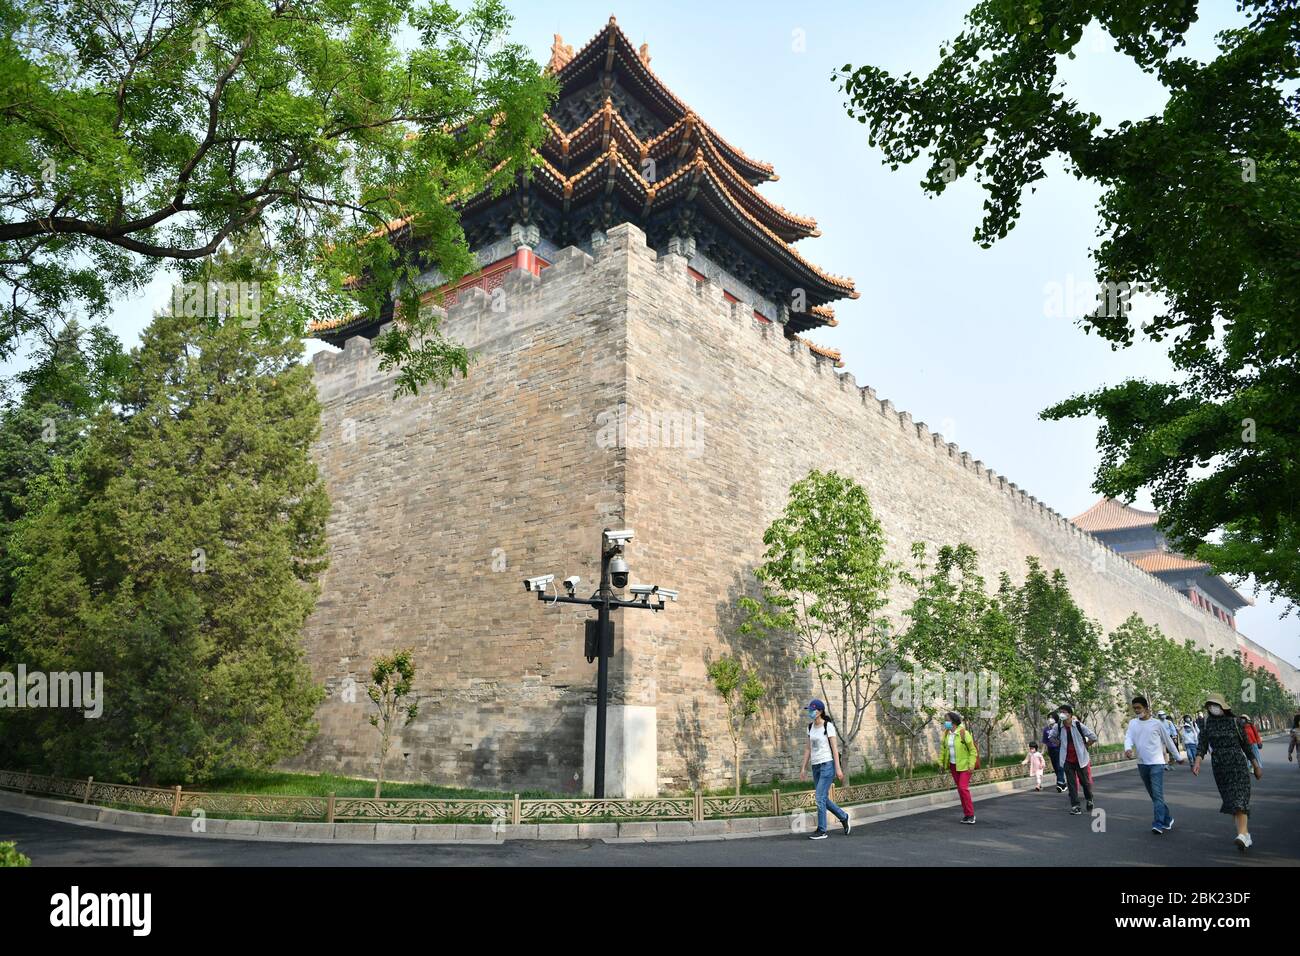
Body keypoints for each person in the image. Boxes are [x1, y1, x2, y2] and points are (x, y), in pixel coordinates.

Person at [1191, 692, 1262, 852]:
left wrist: (1256, 766)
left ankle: (1242, 835)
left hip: (1237, 764)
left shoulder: (1235, 722)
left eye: (1215, 705)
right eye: (1210, 705)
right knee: (1232, 802)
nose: (1212, 708)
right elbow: (1202, 745)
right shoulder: (1207, 724)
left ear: (1223, 706)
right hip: (1220, 767)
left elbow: (1246, 746)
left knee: (1239, 799)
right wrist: (1197, 762)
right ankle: (1244, 835)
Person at [1124, 696, 1184, 834]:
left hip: (1156, 763)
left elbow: (1168, 741)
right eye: (1135, 708)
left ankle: (1158, 823)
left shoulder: (1157, 724)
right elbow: (1128, 737)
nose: (1137, 711)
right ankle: (1167, 819)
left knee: (1157, 794)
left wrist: (1177, 757)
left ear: (1146, 708)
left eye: (1139, 708)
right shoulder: (1133, 723)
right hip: (1142, 763)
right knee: (1154, 795)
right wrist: (1127, 748)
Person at [799, 698, 850, 840]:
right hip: (816, 766)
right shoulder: (810, 727)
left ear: (820, 711)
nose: (810, 712)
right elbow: (808, 749)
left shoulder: (828, 726)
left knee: (819, 797)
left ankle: (822, 830)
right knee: (822, 798)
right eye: (809, 710)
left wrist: (838, 769)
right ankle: (843, 816)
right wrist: (803, 768)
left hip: (827, 765)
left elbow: (834, 749)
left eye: (812, 710)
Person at [1057, 704, 1098, 815]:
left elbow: (1093, 737)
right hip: (1067, 760)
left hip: (1080, 759)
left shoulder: (1078, 725)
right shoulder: (1058, 727)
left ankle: (1089, 799)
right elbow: (1051, 737)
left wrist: (1086, 745)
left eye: (1064, 712)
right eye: (1060, 712)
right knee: (1071, 784)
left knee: (1085, 783)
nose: (1062, 714)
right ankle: (1075, 806)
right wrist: (1057, 743)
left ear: (1070, 714)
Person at [941, 711, 979, 823]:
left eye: (947, 720)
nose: (945, 722)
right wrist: (942, 763)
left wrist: (971, 764)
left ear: (953, 721)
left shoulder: (963, 733)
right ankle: (967, 814)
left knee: (963, 788)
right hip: (953, 766)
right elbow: (944, 749)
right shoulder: (947, 733)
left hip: (965, 766)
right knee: (960, 790)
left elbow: (973, 750)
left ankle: (971, 815)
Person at [1042, 713, 1066, 792]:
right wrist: (1042, 751)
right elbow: (1045, 741)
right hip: (1051, 749)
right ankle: (1063, 784)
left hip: (1059, 749)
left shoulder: (1060, 727)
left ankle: (1059, 783)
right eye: (1048, 718)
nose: (1050, 719)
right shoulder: (1046, 729)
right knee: (1055, 768)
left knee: (1059, 766)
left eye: (1051, 717)